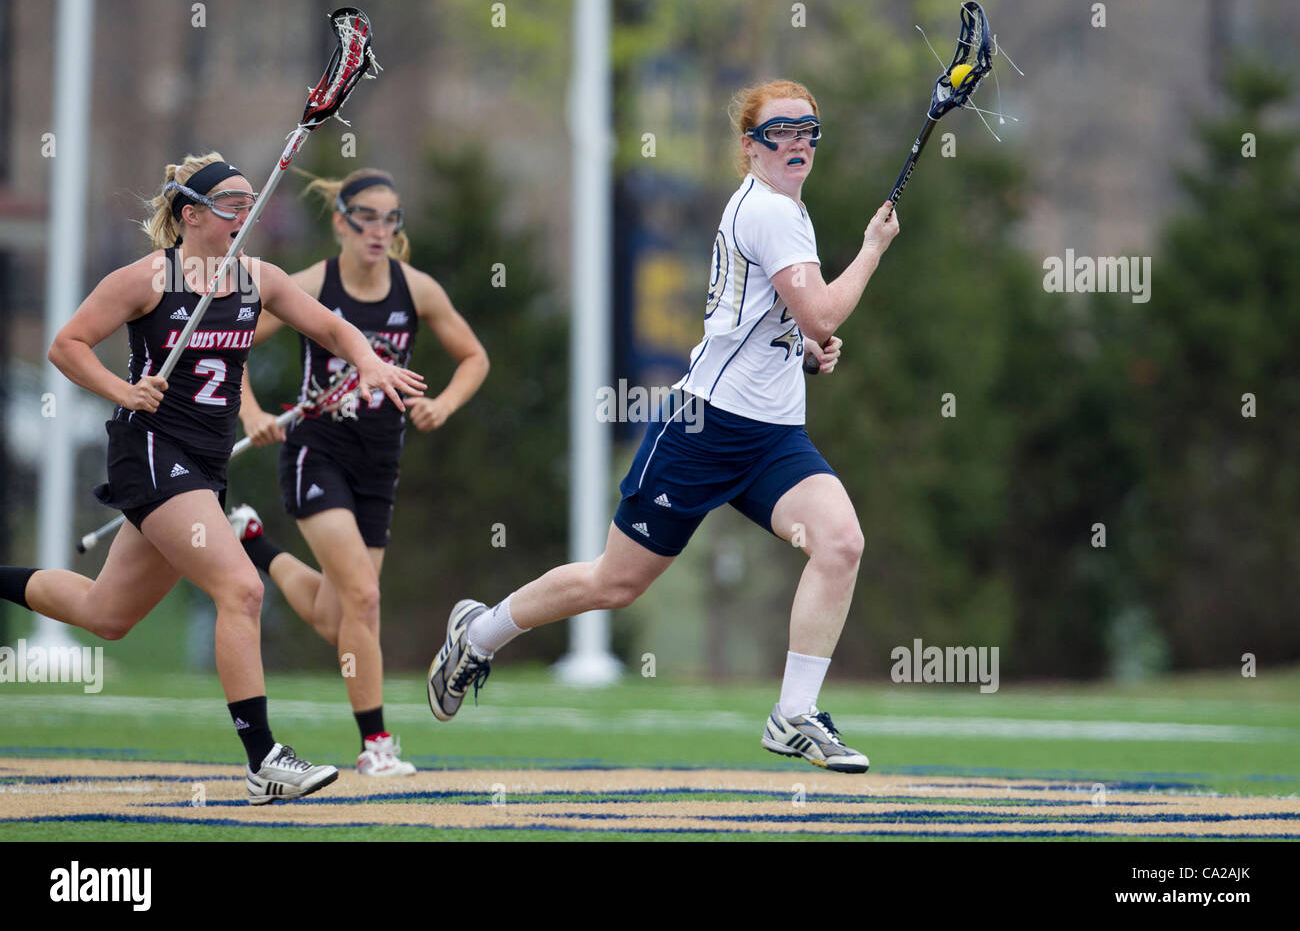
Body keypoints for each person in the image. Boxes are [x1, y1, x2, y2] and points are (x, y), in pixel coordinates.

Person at [426, 80, 900, 773]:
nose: (796, 141)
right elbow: (824, 313)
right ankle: (480, 632)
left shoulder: (784, 210)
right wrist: (872, 250)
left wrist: (800, 347)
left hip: (771, 437)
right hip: (701, 430)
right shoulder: (771, 212)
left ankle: (794, 715)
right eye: (780, 131)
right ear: (750, 146)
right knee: (614, 584)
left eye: (807, 129)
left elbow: (769, 321)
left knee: (840, 543)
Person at [0, 153, 425, 803]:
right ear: (191, 215)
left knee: (105, 613)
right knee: (241, 590)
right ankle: (263, 760)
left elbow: (333, 326)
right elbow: (67, 344)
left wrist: (368, 360)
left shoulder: (258, 280)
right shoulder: (148, 278)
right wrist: (124, 388)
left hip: (204, 465)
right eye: (231, 203)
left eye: (251, 201)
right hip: (147, 450)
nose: (245, 214)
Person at [229, 168, 488, 777]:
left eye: (391, 218)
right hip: (315, 453)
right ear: (342, 221)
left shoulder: (415, 289)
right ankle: (377, 745)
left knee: (337, 614)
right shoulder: (312, 284)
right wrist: (252, 412)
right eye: (367, 217)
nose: (380, 229)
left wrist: (442, 404)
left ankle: (254, 543)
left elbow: (474, 356)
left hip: (380, 462)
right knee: (364, 600)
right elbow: (231, 342)